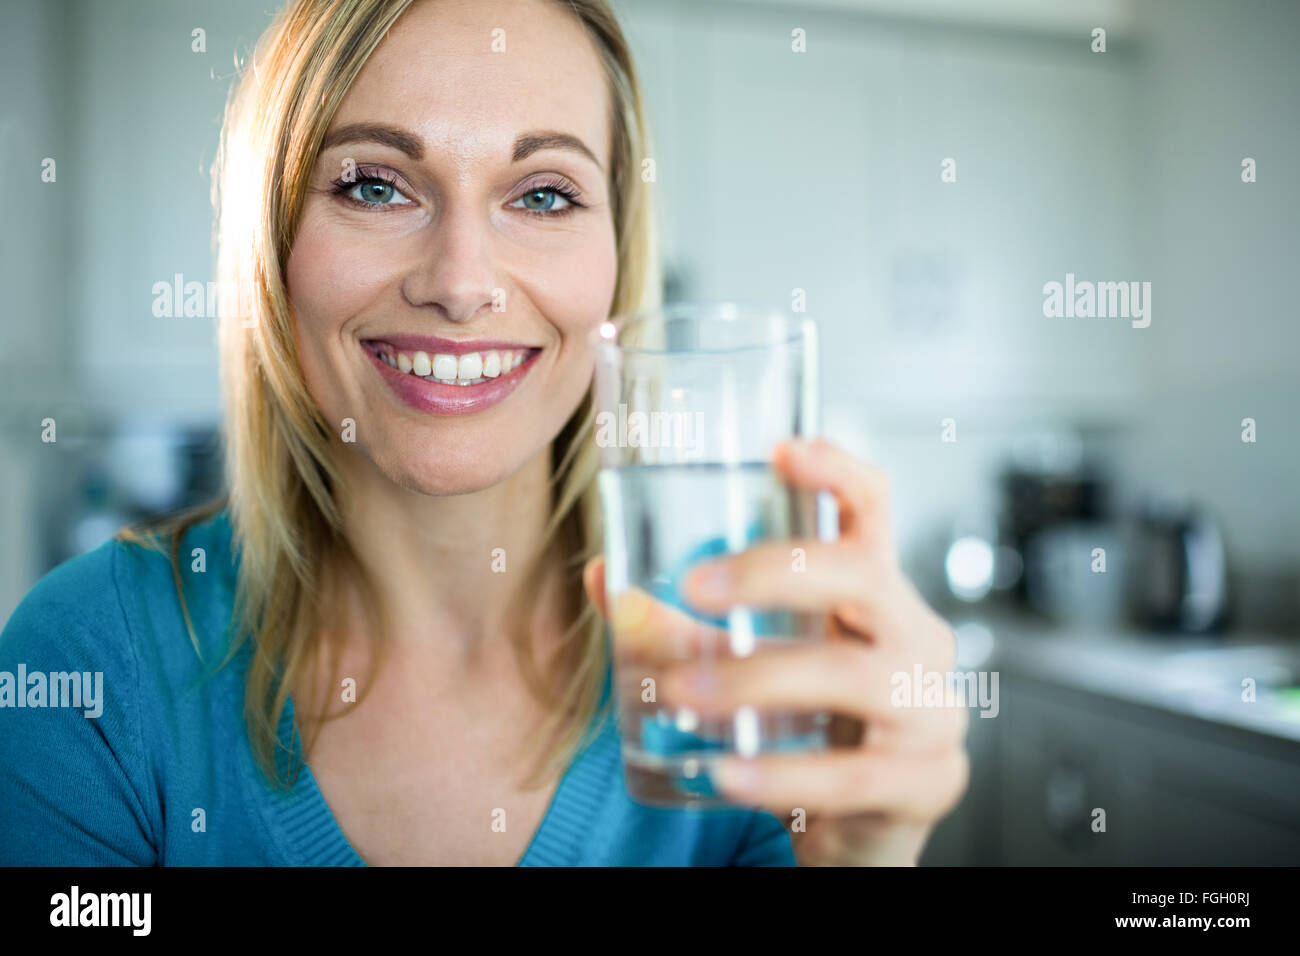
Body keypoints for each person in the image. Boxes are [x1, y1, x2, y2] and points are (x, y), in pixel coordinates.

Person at [0, 0, 967, 866]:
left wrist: (858, 865)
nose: (461, 284)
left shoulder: (734, 675)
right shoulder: (84, 666)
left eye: (544, 194)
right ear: (273, 240)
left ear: (617, 261)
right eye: (376, 185)